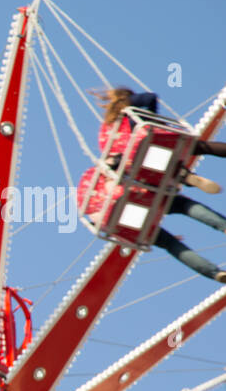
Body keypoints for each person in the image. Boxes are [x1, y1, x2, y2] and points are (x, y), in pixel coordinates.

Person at [92, 87, 226, 283]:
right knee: (185, 198)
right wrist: (153, 118)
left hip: (132, 190)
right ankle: (184, 176)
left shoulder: (106, 129)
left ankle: (214, 273)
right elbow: (151, 97)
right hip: (151, 153)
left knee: (169, 242)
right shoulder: (130, 110)